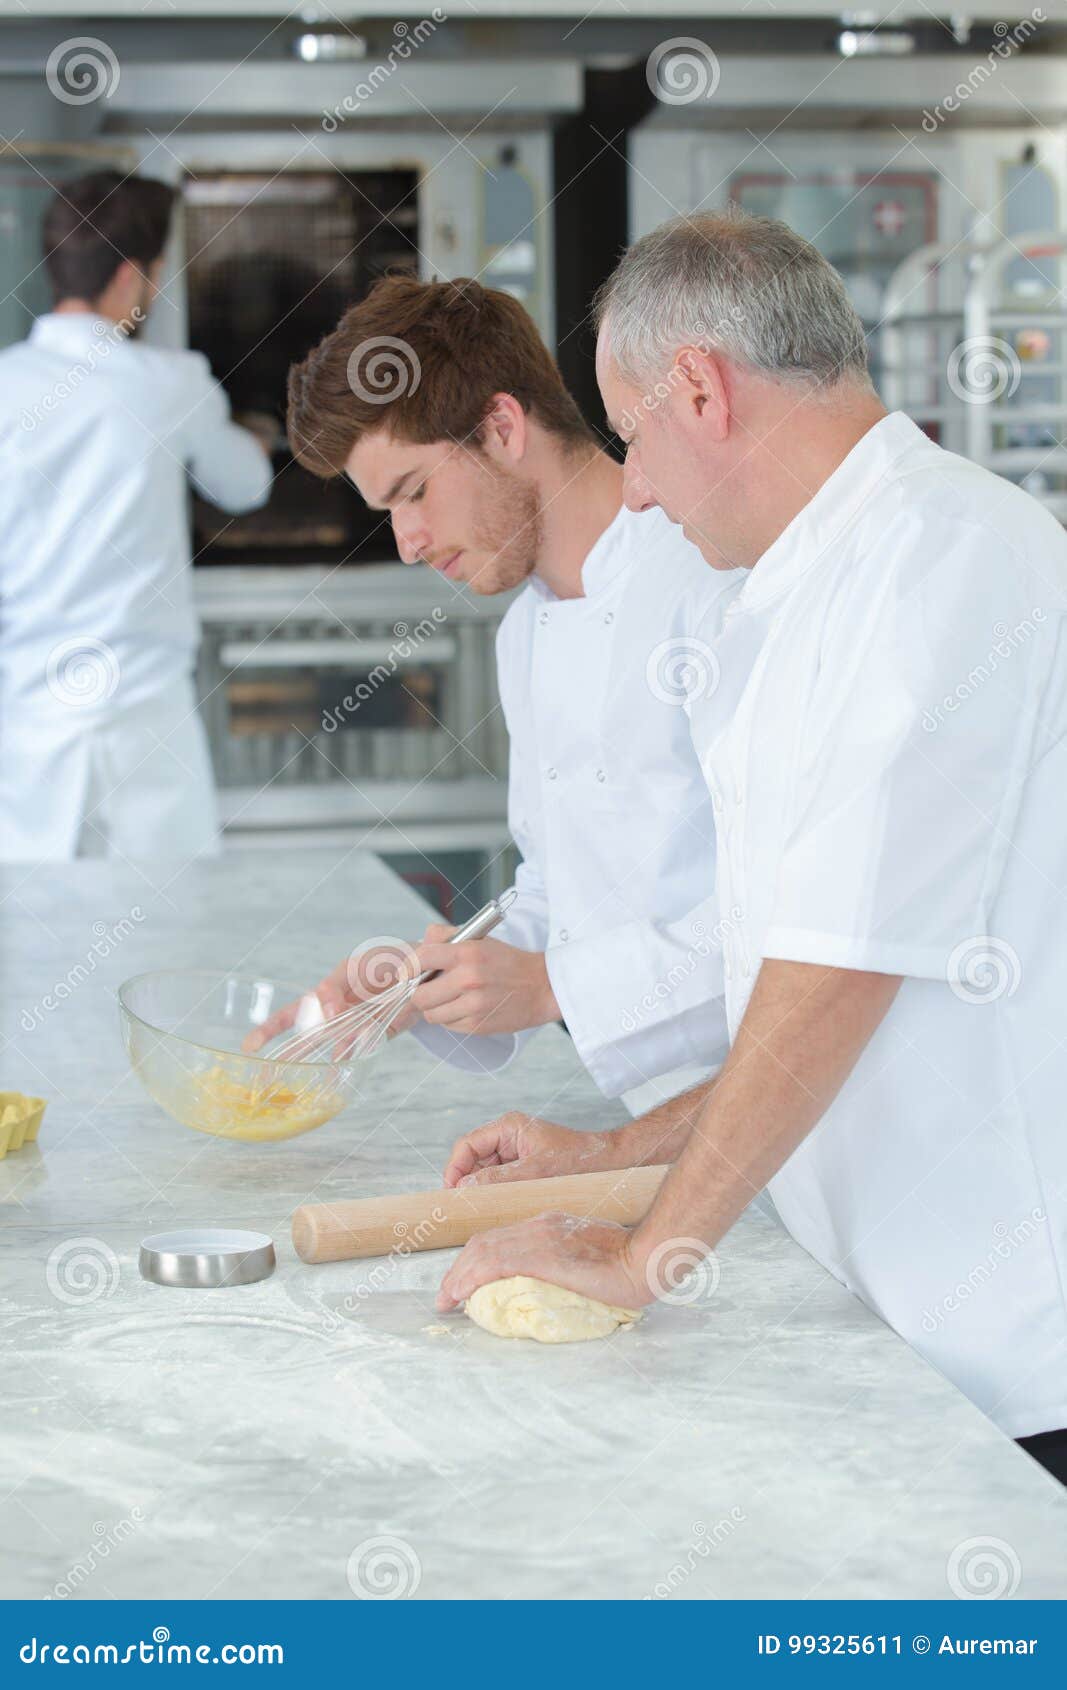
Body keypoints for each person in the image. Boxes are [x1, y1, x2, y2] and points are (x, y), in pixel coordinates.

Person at [434, 210, 1067, 1486]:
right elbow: (784, 974)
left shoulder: (938, 559)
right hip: (883, 1308)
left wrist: (640, 1254)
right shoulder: (803, 586)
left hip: (1001, 1349)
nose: (642, 488)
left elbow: (835, 977)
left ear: (701, 390)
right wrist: (619, 1154)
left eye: (633, 441)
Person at [248, 274, 743, 1113]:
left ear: (503, 427)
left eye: (411, 493)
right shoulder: (526, 633)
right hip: (647, 1118)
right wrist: (413, 985)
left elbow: (789, 919)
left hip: (774, 1114)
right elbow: (560, 891)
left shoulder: (710, 580)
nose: (406, 543)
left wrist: (554, 988)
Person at [0, 171, 272, 860]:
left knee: (35, 949)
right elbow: (245, 486)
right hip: (145, 727)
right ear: (129, 278)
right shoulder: (169, 384)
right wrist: (253, 437)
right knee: (162, 941)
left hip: (31, 723)